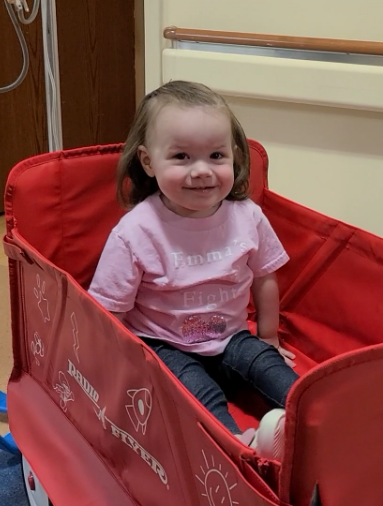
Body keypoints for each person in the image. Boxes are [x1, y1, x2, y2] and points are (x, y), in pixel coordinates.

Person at [87, 80, 298, 461]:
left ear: (234, 157)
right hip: (165, 345)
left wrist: (268, 339)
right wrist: (115, 373)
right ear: (149, 162)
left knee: (269, 367)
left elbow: (265, 277)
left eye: (216, 156)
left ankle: (313, 420)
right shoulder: (137, 231)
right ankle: (240, 447)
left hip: (232, 336)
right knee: (198, 391)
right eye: (182, 157)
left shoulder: (247, 216)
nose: (202, 171)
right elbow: (109, 313)